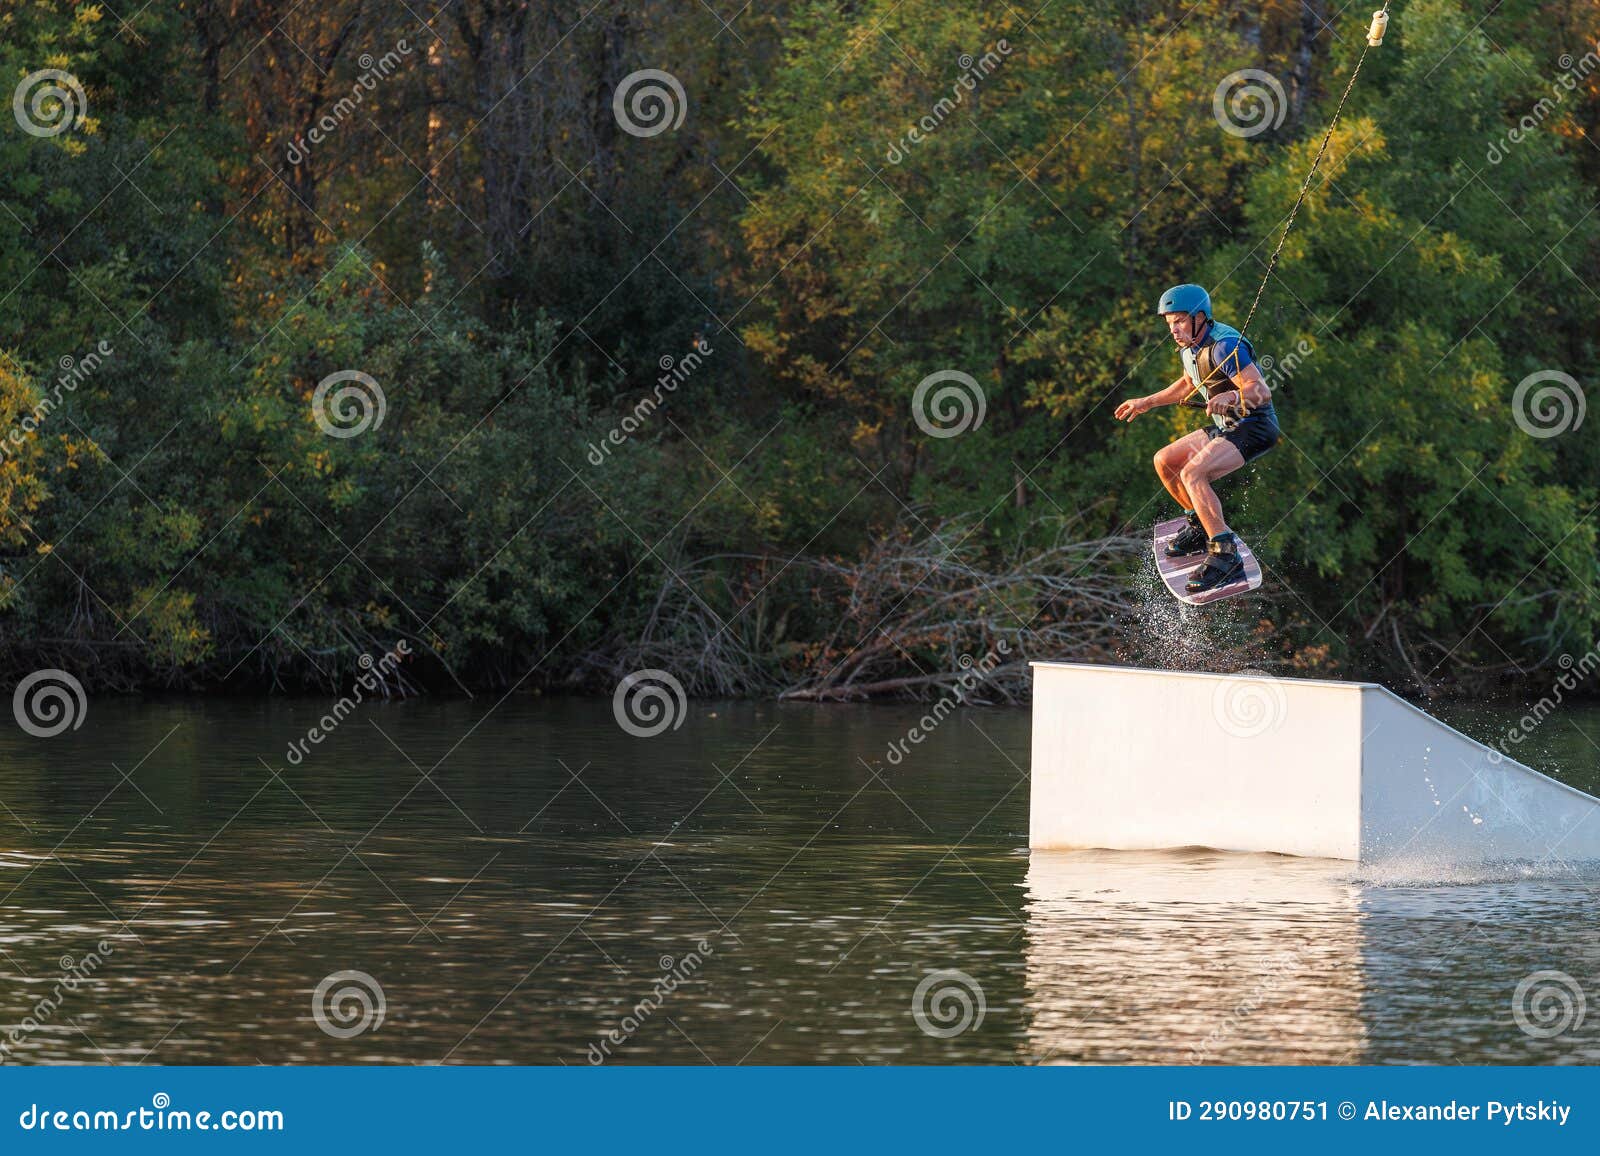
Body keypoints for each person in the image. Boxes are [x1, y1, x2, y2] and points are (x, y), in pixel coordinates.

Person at [1113, 284, 1280, 594]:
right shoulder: (1190, 346)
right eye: (1169, 323)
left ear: (1200, 318)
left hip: (1253, 426)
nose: (1174, 329)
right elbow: (1189, 382)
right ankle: (1200, 526)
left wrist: (1231, 394)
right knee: (1166, 461)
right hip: (1227, 425)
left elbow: (1261, 391)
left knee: (1193, 473)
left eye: (1179, 321)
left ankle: (1224, 554)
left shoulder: (1224, 347)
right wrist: (1146, 402)